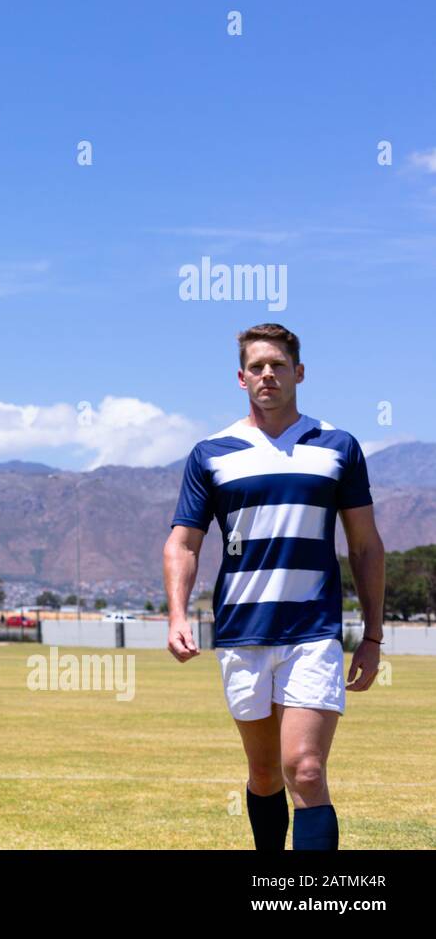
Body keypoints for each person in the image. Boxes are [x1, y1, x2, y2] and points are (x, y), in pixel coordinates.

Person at [163, 324, 386, 850]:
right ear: (241, 378)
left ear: (299, 373)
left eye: (278, 365)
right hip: (242, 632)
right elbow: (183, 544)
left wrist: (372, 636)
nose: (268, 374)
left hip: (313, 630)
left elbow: (366, 547)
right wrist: (177, 615)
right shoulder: (211, 453)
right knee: (264, 776)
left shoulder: (337, 447)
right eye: (257, 366)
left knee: (305, 771)